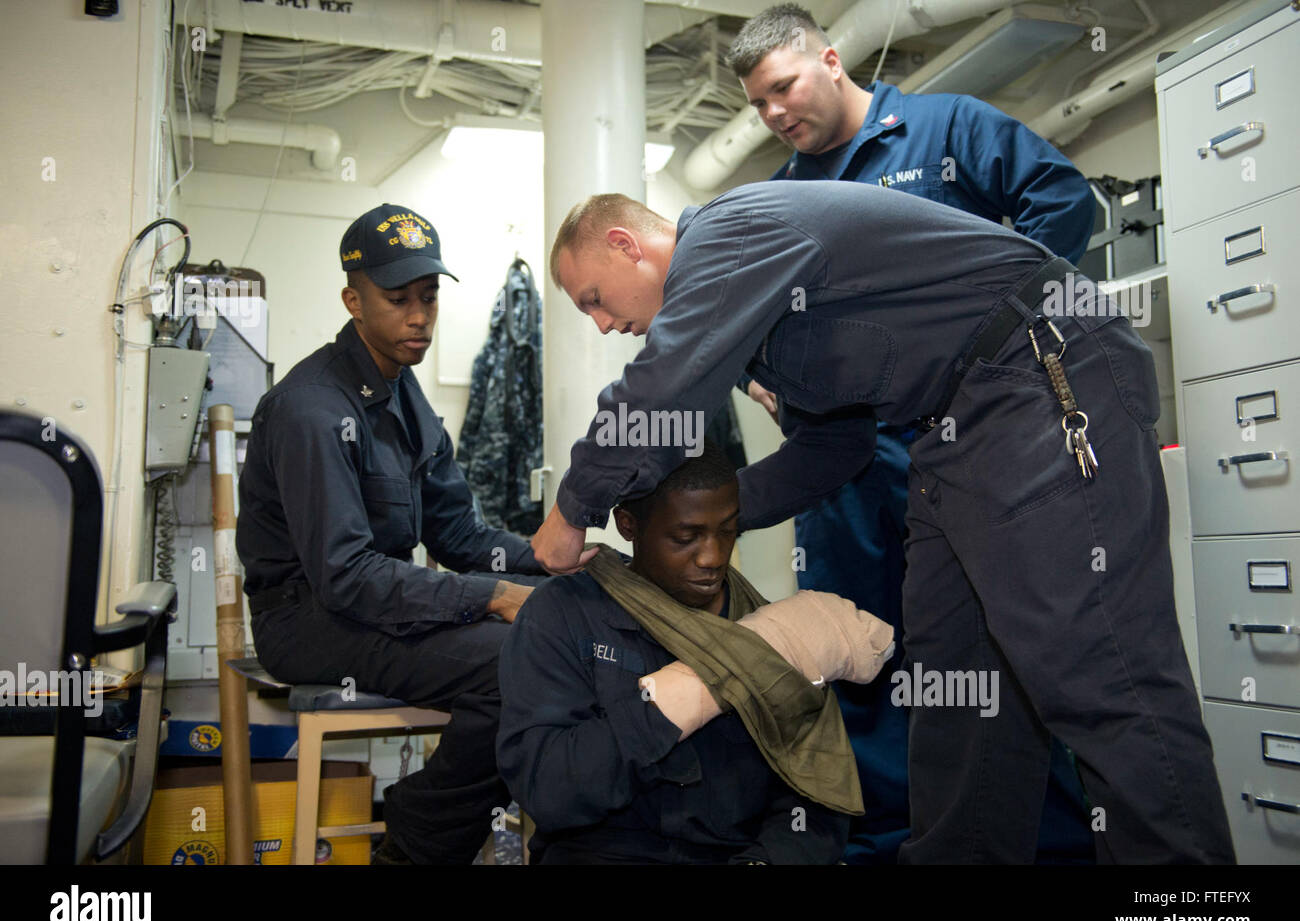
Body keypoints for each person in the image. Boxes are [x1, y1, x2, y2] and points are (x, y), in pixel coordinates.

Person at [532, 182, 1236, 864]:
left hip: (1037, 375)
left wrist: (571, 513)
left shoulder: (728, 231)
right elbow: (835, 447)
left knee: (1102, 674)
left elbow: (658, 385)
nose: (600, 323)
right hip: (953, 430)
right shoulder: (763, 320)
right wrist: (693, 521)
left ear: (625, 244)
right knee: (961, 692)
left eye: (592, 299)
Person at [724, 3, 1099, 863]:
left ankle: (1056, 843)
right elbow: (741, 324)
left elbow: (1062, 199)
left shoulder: (944, 128)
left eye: (784, 87)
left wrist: (1000, 336)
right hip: (849, 461)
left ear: (827, 58)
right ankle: (887, 839)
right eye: (759, 105)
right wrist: (766, 381)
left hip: (969, 444)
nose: (777, 113)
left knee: (1002, 650)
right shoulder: (783, 198)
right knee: (860, 650)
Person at [236, 203, 543, 864]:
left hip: (375, 602)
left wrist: (549, 560)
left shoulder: (405, 395)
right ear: (353, 299)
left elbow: (459, 533)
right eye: (397, 298)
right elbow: (346, 575)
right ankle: (415, 842)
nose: (419, 316)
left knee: (565, 627)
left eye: (429, 297)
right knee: (515, 659)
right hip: (309, 619)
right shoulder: (311, 409)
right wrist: (493, 596)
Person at [497, 442, 855, 864]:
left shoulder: (767, 631)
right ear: (628, 525)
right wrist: (673, 703)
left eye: (728, 530)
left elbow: (815, 794)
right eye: (686, 537)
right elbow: (549, 790)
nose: (713, 557)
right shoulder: (564, 616)